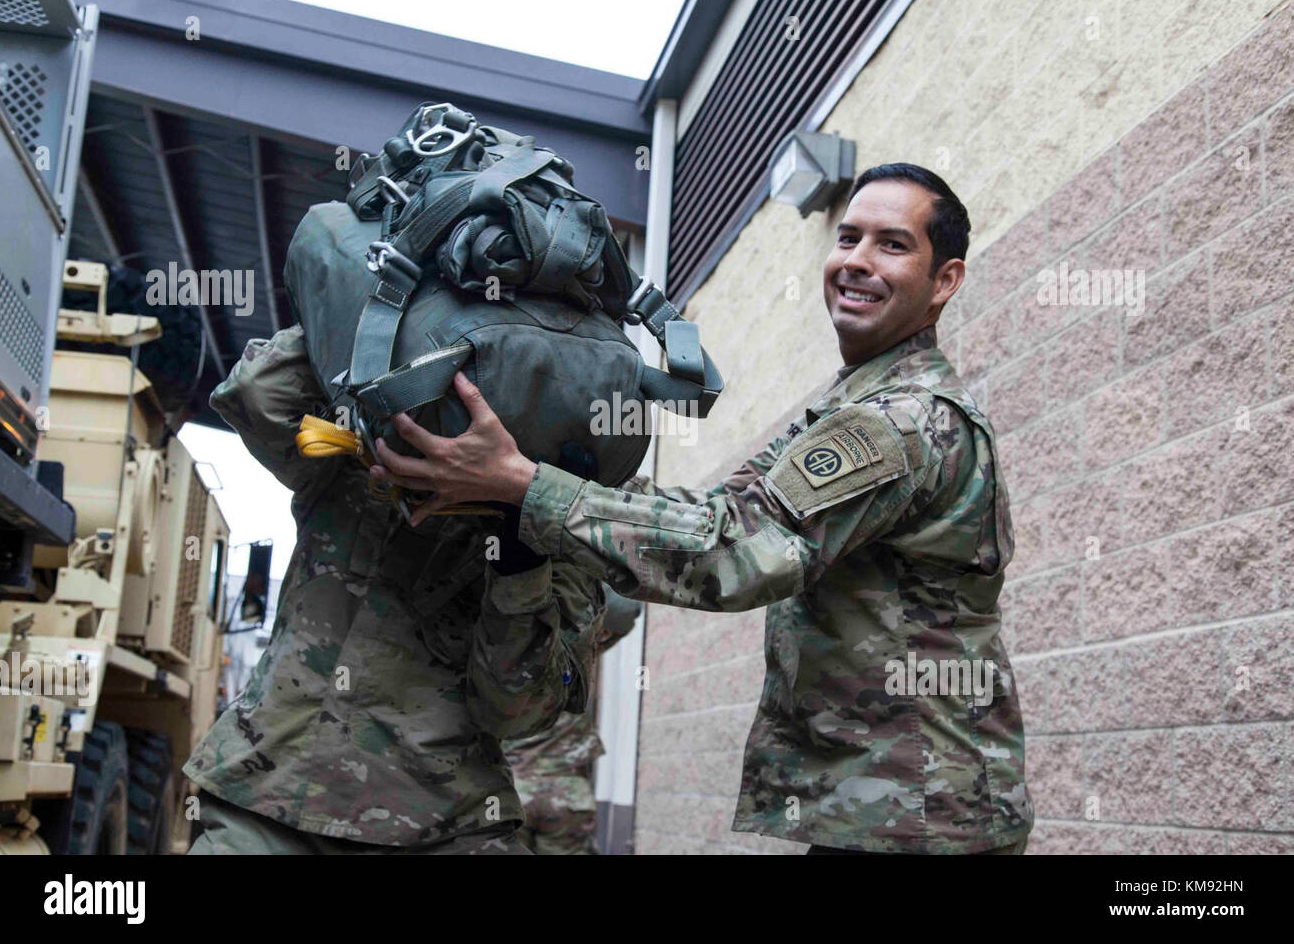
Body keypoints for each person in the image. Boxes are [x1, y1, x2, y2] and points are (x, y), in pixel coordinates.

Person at [370, 163, 1034, 854]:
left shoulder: (900, 423)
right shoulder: (853, 406)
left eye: (892, 245)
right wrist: (532, 473)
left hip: (925, 816)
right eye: (848, 238)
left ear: (945, 281)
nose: (856, 262)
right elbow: (719, 510)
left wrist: (526, 486)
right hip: (895, 810)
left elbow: (732, 552)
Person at [184, 324, 603, 854]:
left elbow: (516, 711)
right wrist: (389, 300)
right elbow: (255, 396)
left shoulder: (563, 528)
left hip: (445, 825)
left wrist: (524, 551)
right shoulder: (359, 461)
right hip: (273, 798)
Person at [505, 588, 640, 854]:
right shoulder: (574, 654)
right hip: (566, 794)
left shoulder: (496, 665)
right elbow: (624, 610)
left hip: (511, 789)